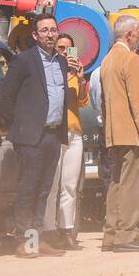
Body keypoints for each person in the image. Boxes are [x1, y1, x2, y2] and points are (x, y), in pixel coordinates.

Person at [0, 14, 69, 258]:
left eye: (53, 30)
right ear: (36, 36)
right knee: (28, 188)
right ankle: (23, 241)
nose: (50, 34)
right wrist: (16, 126)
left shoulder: (61, 62)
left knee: (43, 190)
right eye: (45, 30)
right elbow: (6, 96)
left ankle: (38, 239)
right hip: (30, 138)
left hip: (53, 135)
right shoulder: (23, 61)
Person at [99, 14, 139, 253]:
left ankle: (111, 234)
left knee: (116, 184)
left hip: (113, 133)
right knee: (132, 186)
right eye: (138, 34)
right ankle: (125, 236)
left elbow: (103, 101)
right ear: (129, 35)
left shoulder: (107, 60)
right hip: (131, 133)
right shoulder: (131, 60)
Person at [41, 32, 88, 250]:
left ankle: (67, 228)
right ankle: (49, 229)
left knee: (69, 185)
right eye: (60, 48)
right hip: (54, 133)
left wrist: (79, 77)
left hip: (73, 132)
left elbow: (83, 101)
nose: (63, 53)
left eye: (68, 49)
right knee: (51, 184)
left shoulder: (74, 74)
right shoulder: (50, 73)